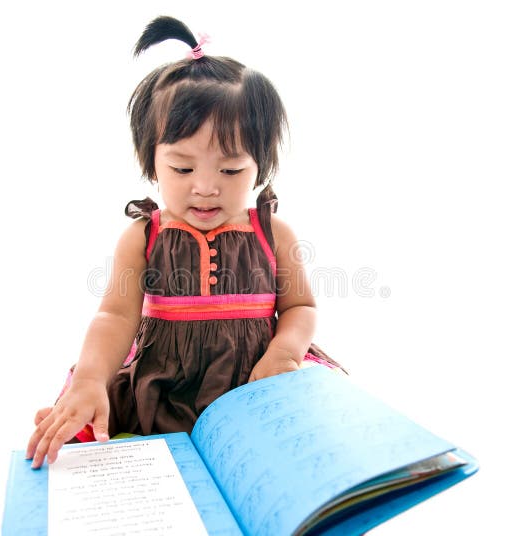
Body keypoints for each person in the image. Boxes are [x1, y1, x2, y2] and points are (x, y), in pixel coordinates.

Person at [26, 16, 344, 469]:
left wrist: (284, 352)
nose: (206, 187)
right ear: (151, 161)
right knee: (96, 418)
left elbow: (301, 307)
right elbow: (115, 315)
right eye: (182, 168)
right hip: (163, 386)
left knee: (316, 429)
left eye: (231, 170)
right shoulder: (144, 237)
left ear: (261, 164)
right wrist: (92, 377)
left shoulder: (273, 234)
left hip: (254, 385)